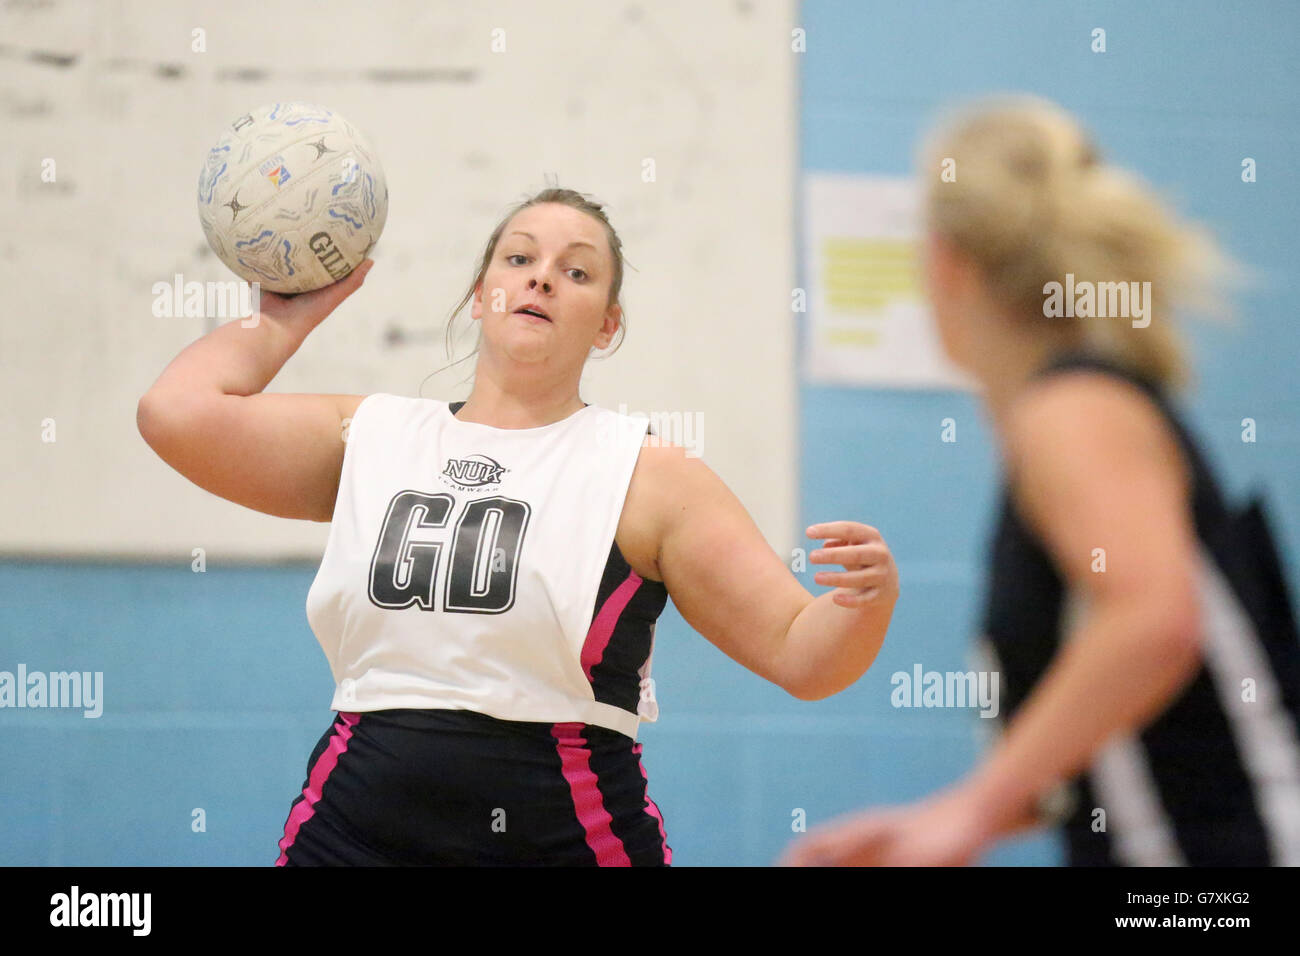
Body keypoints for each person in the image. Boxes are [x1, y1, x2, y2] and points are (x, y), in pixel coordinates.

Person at [137, 187, 900, 865]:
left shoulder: (648, 474)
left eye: (576, 271)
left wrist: (866, 603)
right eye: (519, 257)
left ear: (607, 325)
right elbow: (175, 415)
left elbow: (803, 655)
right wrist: (284, 318)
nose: (540, 277)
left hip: (563, 836)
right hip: (353, 832)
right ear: (480, 296)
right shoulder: (373, 435)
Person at [782, 96, 1300, 866]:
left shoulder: (1073, 409)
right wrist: (941, 820)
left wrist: (967, 811)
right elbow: (1115, 734)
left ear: (945, 264)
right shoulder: (1064, 415)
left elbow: (1155, 620)